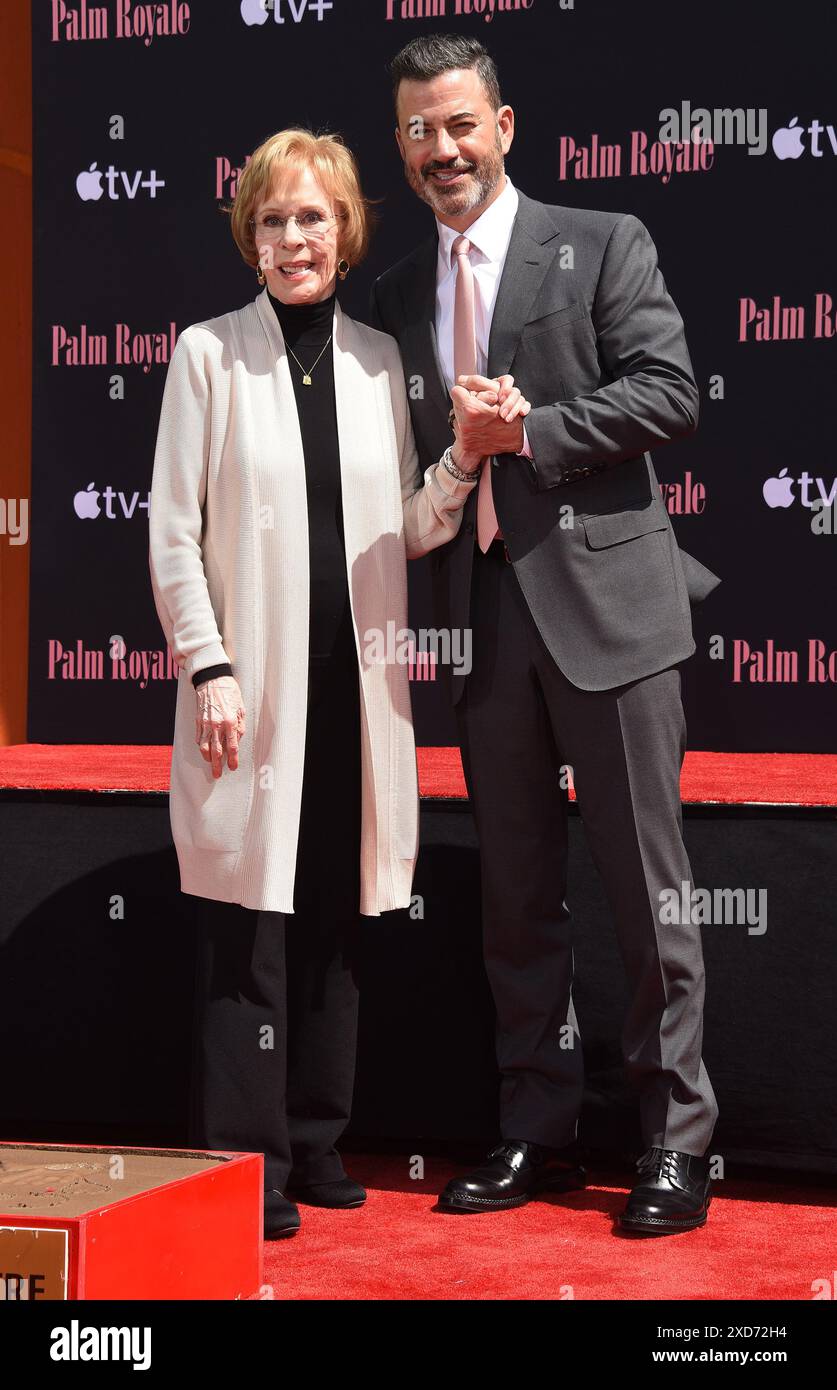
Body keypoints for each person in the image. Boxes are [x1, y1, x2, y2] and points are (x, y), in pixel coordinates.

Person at [148, 126, 529, 1237]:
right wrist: (207, 665)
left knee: (331, 928)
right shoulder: (206, 355)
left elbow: (402, 529)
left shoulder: (375, 361)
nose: (294, 237)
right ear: (249, 237)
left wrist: (461, 458)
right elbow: (175, 533)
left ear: (346, 231)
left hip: (354, 700)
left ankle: (315, 1143)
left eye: (312, 217)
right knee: (244, 935)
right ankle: (245, 1165)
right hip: (245, 700)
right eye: (273, 219)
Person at [370, 33, 721, 1235]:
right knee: (518, 898)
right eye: (419, 130)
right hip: (481, 626)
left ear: (505, 127)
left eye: (460, 124)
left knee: (647, 891)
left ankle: (678, 1143)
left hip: (612, 613)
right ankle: (540, 1128)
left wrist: (536, 432)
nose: (442, 149)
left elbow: (671, 390)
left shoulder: (605, 239)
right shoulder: (391, 297)